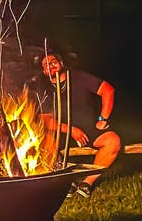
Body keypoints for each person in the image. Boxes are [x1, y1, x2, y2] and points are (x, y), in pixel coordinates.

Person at [35, 47, 120, 197]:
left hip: (88, 130)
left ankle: (87, 183)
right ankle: (66, 181)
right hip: (61, 132)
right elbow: (45, 120)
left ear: (61, 63)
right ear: (44, 71)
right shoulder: (43, 88)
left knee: (113, 141)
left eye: (53, 62)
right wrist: (71, 130)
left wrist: (102, 119)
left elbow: (107, 90)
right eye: (46, 65)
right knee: (43, 141)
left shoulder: (78, 77)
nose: (50, 66)